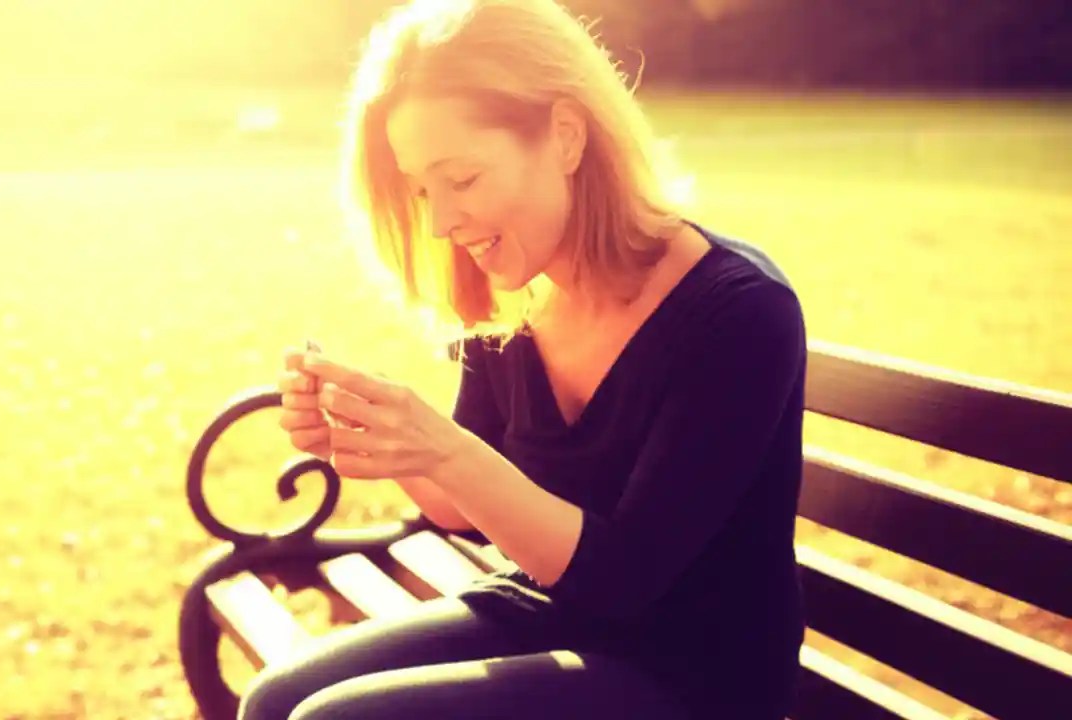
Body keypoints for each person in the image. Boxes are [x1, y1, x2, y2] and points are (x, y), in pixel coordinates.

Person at [246, 0, 807, 717]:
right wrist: (373, 435)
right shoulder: (516, 290)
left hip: (692, 674)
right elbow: (465, 509)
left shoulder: (739, 312)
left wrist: (444, 451)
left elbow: (627, 581)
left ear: (566, 136)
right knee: (275, 699)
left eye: (464, 179)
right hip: (551, 615)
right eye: (423, 190)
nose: (441, 222)